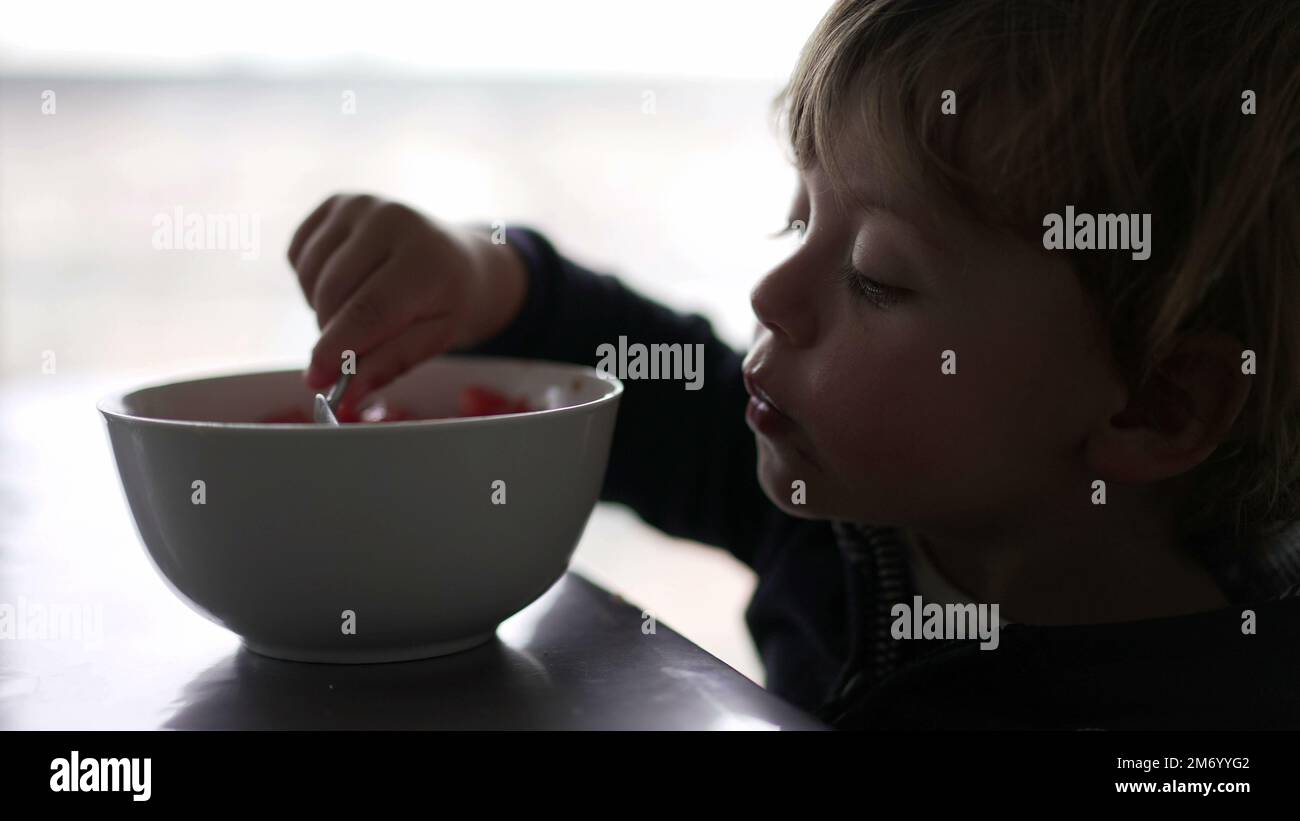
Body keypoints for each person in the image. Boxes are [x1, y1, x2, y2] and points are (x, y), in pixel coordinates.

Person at [285, 0, 1300, 728]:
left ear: (1156, 405)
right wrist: (483, 274)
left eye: (875, 276)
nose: (772, 294)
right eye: (799, 217)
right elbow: (667, 395)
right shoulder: (850, 504)